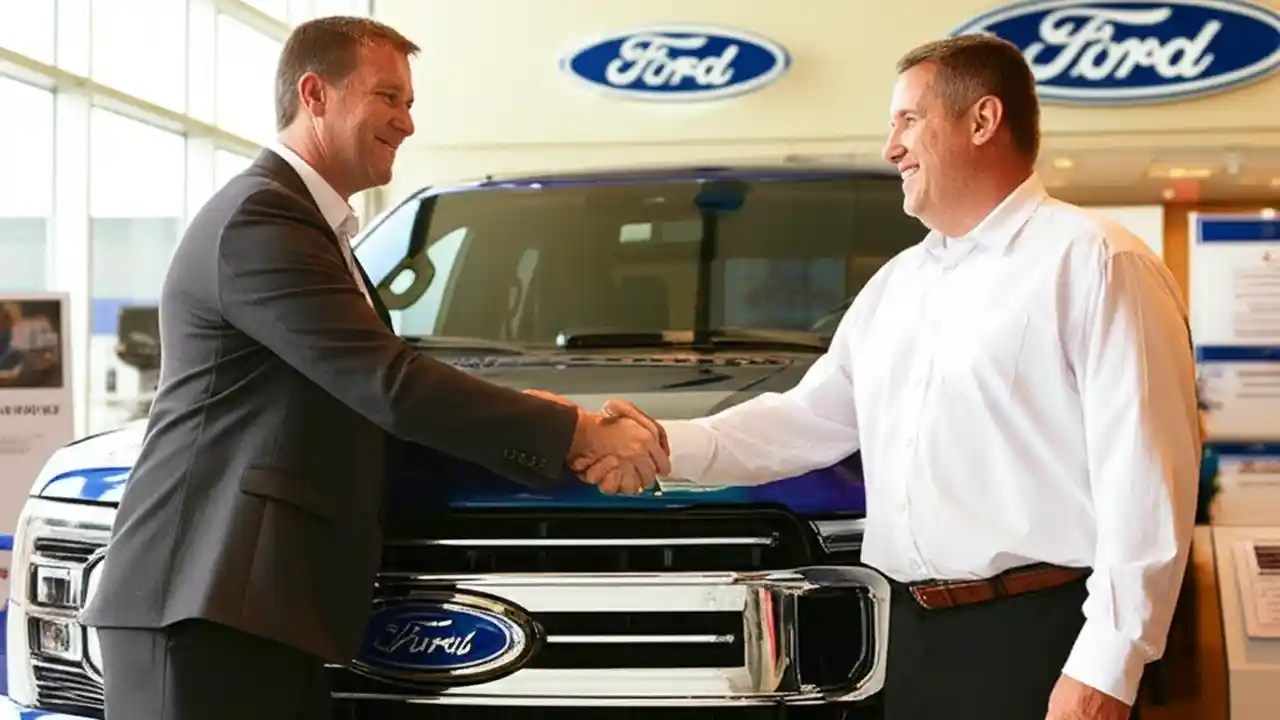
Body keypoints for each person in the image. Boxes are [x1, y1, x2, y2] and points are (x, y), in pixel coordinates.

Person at [584, 34, 1200, 720]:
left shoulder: (1098, 262)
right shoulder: (900, 283)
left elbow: (1147, 483)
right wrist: (662, 443)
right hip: (910, 638)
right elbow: (809, 420)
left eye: (908, 120)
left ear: (982, 120)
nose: (891, 148)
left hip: (1041, 638)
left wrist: (1106, 669)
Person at [79, 16, 667, 720]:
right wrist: (572, 429)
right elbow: (389, 385)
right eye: (389, 97)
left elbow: (364, 394)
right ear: (315, 94)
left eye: (411, 104)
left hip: (259, 609)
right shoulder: (261, 221)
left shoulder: (309, 227)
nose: (407, 123)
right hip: (203, 607)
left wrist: (531, 409)